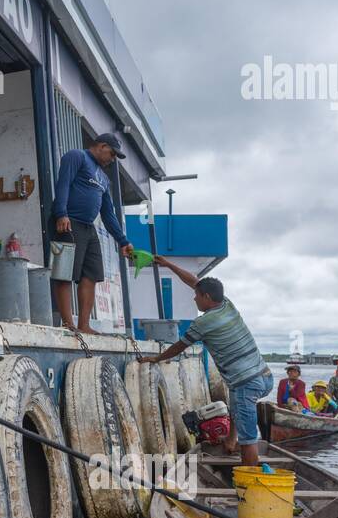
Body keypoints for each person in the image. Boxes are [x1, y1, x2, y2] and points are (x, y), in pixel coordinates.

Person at [137, 258, 273, 466]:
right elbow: (194, 281)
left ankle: (250, 481)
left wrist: (156, 358)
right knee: (236, 404)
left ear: (207, 297)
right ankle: (229, 441)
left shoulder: (203, 323)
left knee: (248, 440)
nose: (194, 299)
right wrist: (168, 265)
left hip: (247, 382)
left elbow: (178, 346)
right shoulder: (227, 305)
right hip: (264, 376)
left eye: (196, 296)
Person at [48, 133, 134, 334]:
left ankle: (84, 325)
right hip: (67, 222)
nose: (112, 160)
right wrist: (61, 213)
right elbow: (63, 184)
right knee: (64, 273)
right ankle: (68, 324)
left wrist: (123, 240)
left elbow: (108, 213)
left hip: (88, 227)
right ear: (102, 146)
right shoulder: (77, 156)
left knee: (92, 274)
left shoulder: (104, 179)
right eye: (112, 154)